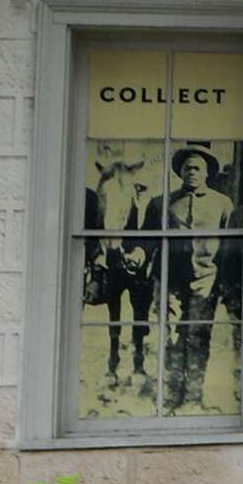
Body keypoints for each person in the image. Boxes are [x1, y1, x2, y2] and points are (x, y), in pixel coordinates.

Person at [156, 145, 233, 413]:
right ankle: (173, 393)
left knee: (198, 337)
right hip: (174, 282)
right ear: (180, 172)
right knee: (174, 337)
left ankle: (193, 397)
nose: (191, 173)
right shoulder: (166, 202)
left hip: (206, 281)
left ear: (207, 173)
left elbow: (229, 248)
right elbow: (152, 240)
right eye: (187, 168)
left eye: (197, 168)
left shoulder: (222, 204)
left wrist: (223, 283)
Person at [83, 142, 155, 388]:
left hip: (140, 263)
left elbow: (151, 229)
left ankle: (139, 363)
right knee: (113, 312)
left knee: (140, 313)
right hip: (113, 259)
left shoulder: (148, 199)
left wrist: (139, 253)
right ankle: (113, 363)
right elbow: (100, 224)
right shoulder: (109, 189)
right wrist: (102, 253)